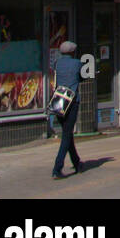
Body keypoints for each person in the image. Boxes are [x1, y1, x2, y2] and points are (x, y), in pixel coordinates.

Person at [51, 40, 83, 179]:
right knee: (66, 135)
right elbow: (81, 77)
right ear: (72, 52)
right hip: (72, 101)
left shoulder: (57, 63)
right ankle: (57, 168)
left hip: (58, 101)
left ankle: (77, 163)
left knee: (67, 133)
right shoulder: (77, 64)